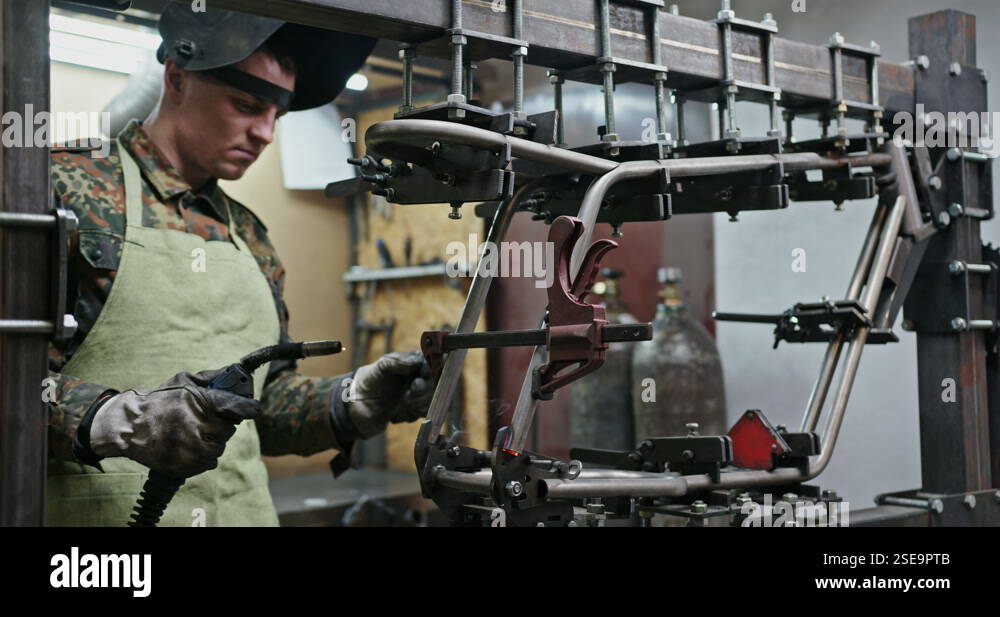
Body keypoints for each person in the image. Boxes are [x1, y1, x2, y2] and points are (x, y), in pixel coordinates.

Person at [45, 3, 428, 526]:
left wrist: (353, 399)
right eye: (247, 105)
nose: (266, 134)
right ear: (177, 78)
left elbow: (262, 408)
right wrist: (118, 421)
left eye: (278, 115)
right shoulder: (63, 191)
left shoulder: (248, 234)